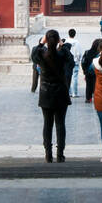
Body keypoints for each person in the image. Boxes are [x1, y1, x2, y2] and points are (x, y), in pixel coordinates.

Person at [31, 29, 74, 162]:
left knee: (47, 124)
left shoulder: (42, 55)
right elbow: (71, 62)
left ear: (46, 40)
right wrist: (62, 46)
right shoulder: (61, 54)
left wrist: (40, 43)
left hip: (46, 92)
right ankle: (60, 154)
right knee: (60, 124)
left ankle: (48, 154)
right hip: (61, 91)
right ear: (57, 40)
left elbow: (33, 56)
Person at [64, 28, 81, 96]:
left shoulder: (65, 42)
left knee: (67, 77)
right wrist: (78, 59)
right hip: (75, 61)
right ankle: (75, 93)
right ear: (75, 34)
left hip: (67, 62)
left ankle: (69, 92)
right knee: (75, 77)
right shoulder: (77, 43)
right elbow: (79, 53)